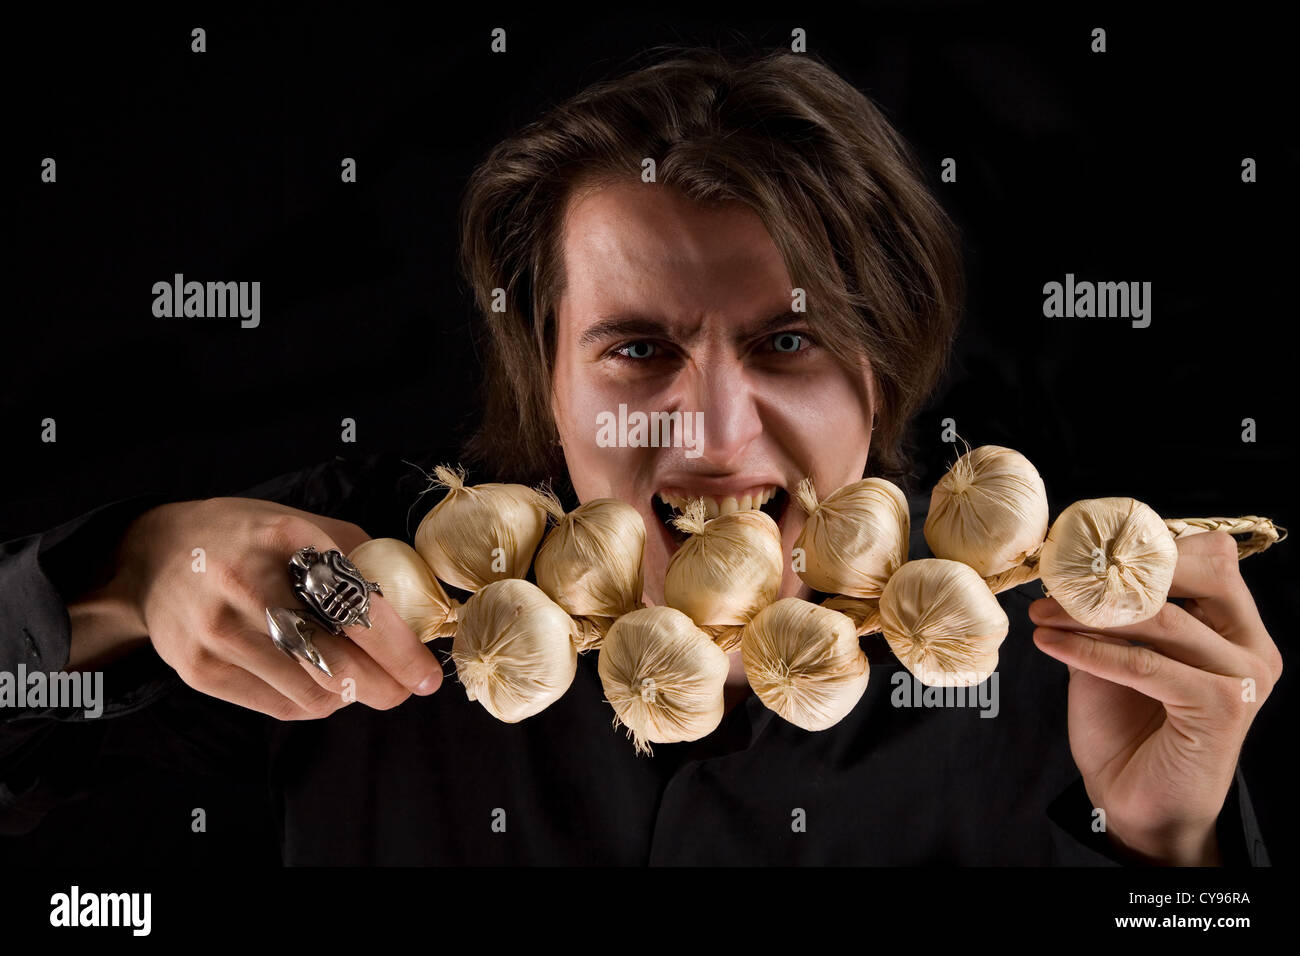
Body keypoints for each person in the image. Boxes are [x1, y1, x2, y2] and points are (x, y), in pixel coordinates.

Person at [0, 47, 1279, 865]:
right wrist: (124, 578)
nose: (712, 434)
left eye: (787, 340)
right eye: (634, 349)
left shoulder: (1062, 684)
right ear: (543, 375)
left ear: (877, 374)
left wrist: (1169, 849)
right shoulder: (342, 579)